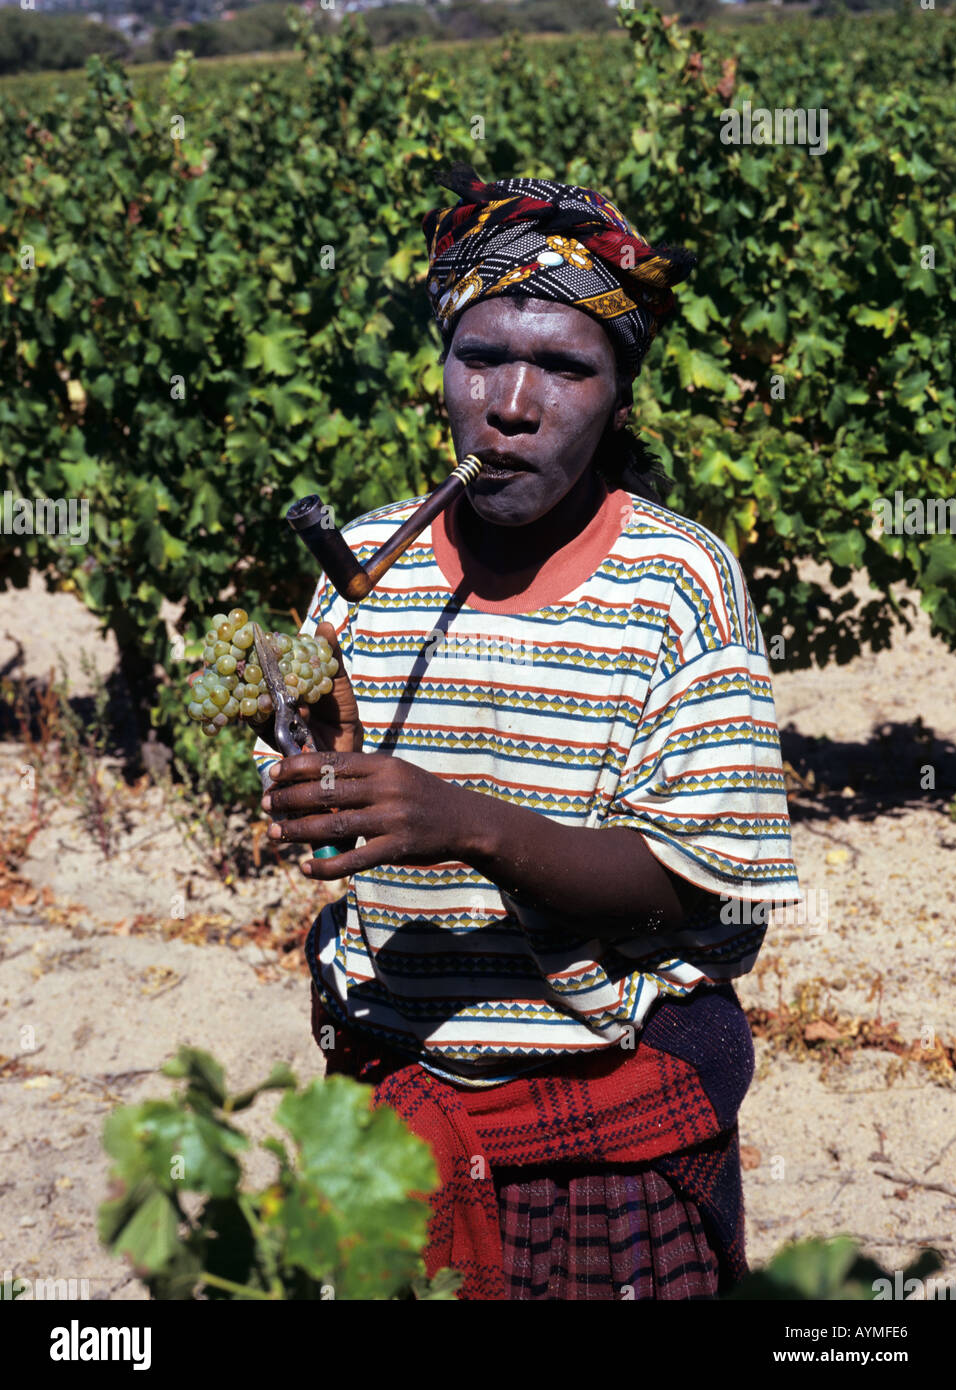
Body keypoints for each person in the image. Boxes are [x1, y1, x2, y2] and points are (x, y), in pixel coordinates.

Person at [252, 164, 801, 1301]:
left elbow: (694, 890)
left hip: (602, 1113)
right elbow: (319, 818)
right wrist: (306, 794)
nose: (511, 402)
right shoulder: (359, 577)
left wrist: (462, 822)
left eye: (563, 367)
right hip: (394, 1084)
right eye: (480, 357)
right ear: (441, 369)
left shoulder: (676, 584)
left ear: (616, 394)